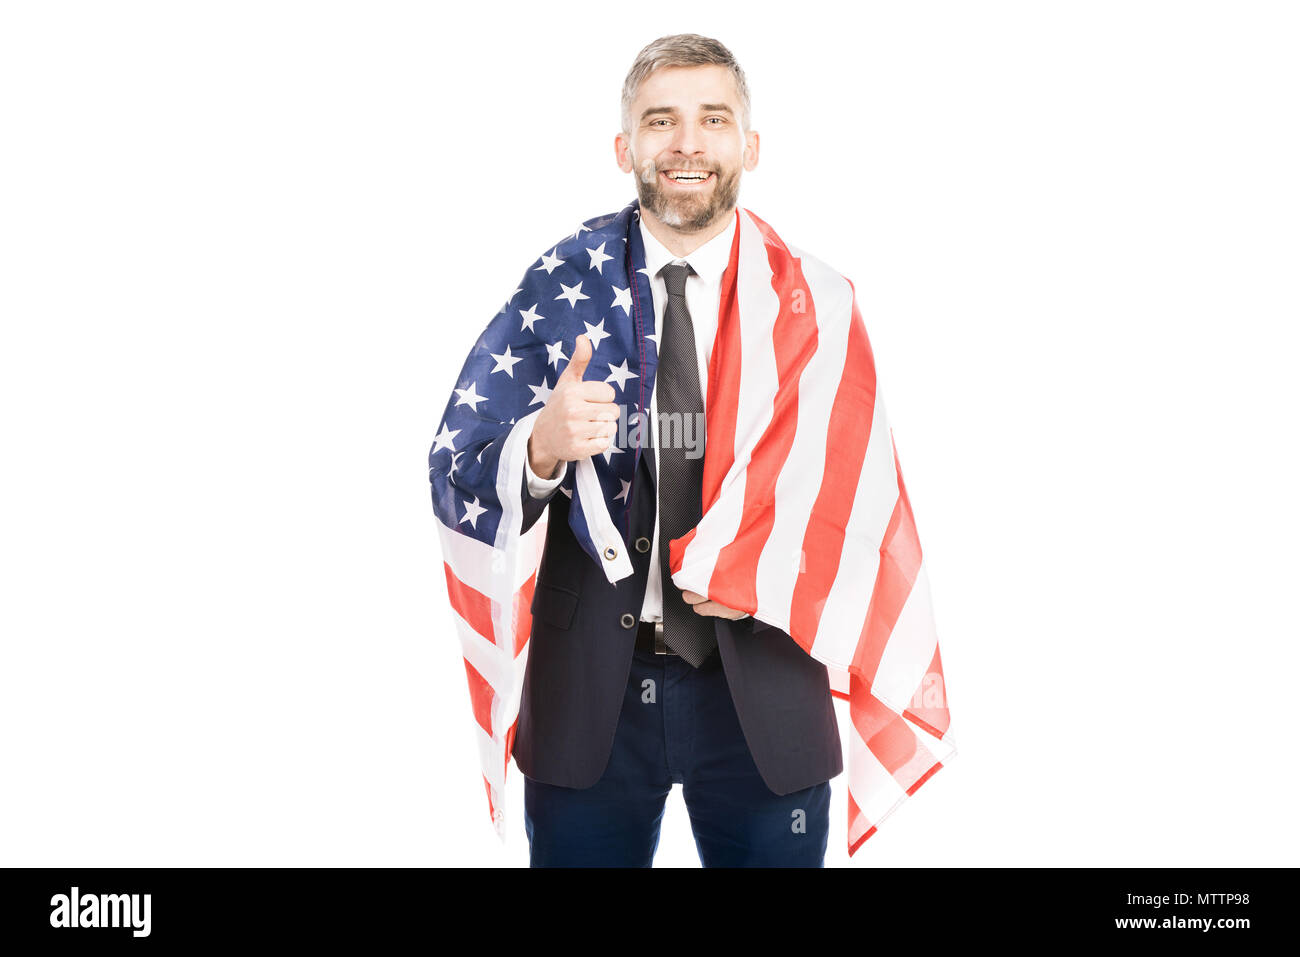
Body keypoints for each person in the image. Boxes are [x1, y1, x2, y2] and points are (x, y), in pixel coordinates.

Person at [507, 34, 842, 867]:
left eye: (712, 119)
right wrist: (541, 447)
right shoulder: (559, 285)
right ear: (626, 147)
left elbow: (860, 499)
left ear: (749, 146)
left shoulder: (815, 301)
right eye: (661, 121)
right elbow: (458, 460)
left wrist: (763, 567)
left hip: (763, 682)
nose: (687, 142)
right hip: (593, 693)